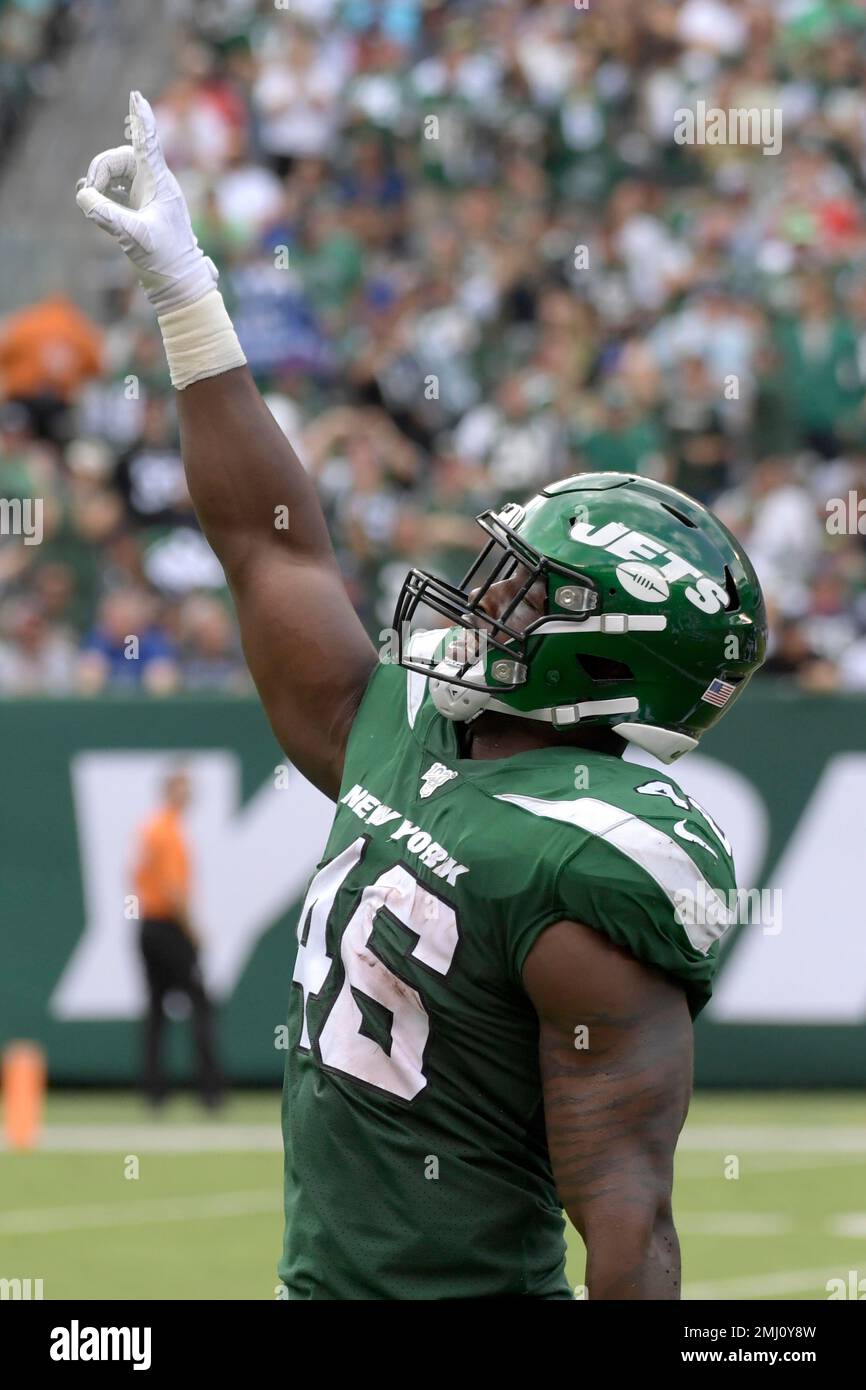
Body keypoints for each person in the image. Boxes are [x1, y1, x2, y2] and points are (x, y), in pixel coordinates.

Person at [78, 93, 767, 1300]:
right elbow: (271, 548)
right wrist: (188, 299)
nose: (479, 603)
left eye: (526, 596)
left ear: (606, 659)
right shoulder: (405, 731)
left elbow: (629, 1231)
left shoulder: (583, 864)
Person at [132, 768, 223, 1109]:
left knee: (156, 1009)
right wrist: (193, 930)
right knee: (200, 1005)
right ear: (170, 791)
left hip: (147, 926)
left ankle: (154, 1093)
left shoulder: (150, 828)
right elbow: (172, 890)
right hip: (168, 927)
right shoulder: (168, 831)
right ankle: (210, 1092)